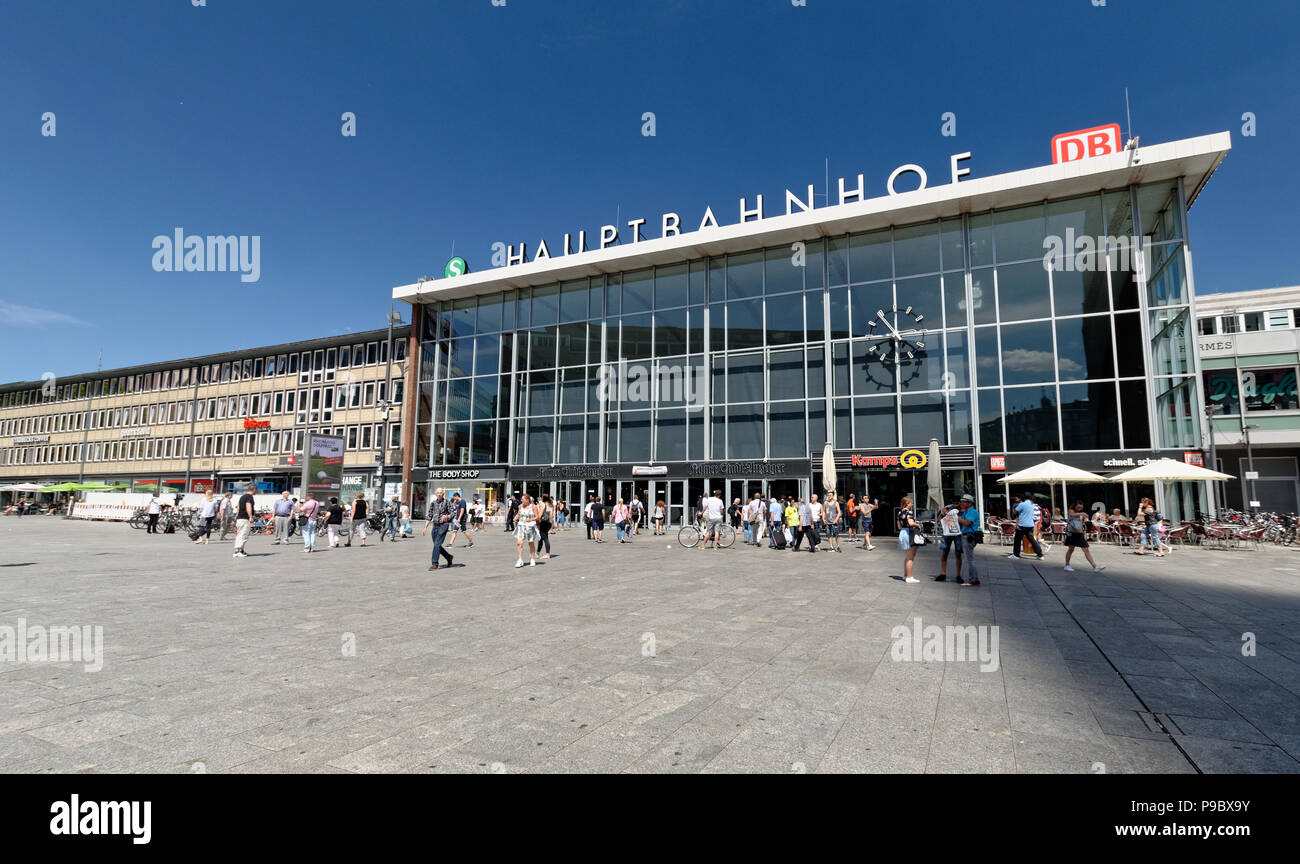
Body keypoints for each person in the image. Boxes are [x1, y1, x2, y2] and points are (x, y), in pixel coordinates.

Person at [1063, 501, 1105, 572]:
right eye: (1078, 507)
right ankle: (1067, 565)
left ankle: (1095, 566)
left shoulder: (1080, 513)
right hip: (1072, 533)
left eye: (1081, 508)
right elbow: (1072, 514)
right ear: (1075, 506)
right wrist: (1081, 514)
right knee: (1071, 550)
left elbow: (1081, 522)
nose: (1079, 509)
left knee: (1086, 549)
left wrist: (1083, 522)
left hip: (1079, 533)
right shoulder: (1071, 510)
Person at [421, 487, 455, 570]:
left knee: (436, 545)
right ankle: (449, 557)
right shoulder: (433, 503)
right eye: (438, 493)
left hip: (443, 525)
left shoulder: (447, 502)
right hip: (435, 526)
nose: (439, 494)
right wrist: (425, 527)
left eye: (441, 492)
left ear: (443, 494)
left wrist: (447, 516)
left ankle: (434, 564)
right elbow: (429, 515)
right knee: (437, 545)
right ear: (436, 494)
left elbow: (452, 513)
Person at [1007, 492, 1046, 561]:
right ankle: (1040, 555)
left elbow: (1015, 511)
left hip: (1022, 524)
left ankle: (1016, 554)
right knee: (1032, 539)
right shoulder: (1031, 505)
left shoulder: (1022, 504)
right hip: (1030, 525)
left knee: (1017, 540)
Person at [957, 494, 982, 587]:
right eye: (962, 501)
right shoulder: (966, 511)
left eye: (964, 501)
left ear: (969, 503)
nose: (962, 503)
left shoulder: (972, 512)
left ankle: (973, 580)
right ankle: (974, 579)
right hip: (966, 535)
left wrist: (957, 518)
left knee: (970, 559)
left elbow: (967, 522)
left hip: (969, 536)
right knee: (969, 558)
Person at [935, 498, 963, 581]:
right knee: (945, 553)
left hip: (958, 533)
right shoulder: (947, 508)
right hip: (947, 533)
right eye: (953, 503)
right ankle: (943, 574)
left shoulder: (962, 510)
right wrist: (943, 513)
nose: (955, 505)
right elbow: (939, 519)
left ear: (960, 503)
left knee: (958, 554)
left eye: (957, 503)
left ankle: (958, 575)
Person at [514, 493, 540, 567]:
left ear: (527, 500)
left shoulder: (533, 507)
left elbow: (537, 517)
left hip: (530, 527)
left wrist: (530, 519)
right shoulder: (520, 506)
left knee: (530, 543)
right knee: (519, 542)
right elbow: (519, 514)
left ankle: (532, 559)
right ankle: (520, 560)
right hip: (521, 526)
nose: (521, 500)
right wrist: (515, 518)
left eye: (523, 499)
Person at [898, 495, 920, 583]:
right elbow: (911, 523)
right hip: (909, 533)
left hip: (902, 533)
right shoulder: (909, 513)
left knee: (908, 556)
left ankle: (905, 575)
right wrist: (917, 524)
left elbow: (899, 526)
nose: (912, 504)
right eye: (911, 503)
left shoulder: (899, 513)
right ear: (907, 504)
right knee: (910, 557)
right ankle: (909, 577)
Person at [233, 483, 256, 558]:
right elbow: (248, 506)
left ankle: (240, 550)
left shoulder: (242, 497)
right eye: (256, 490)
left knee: (239, 534)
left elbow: (238, 507)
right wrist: (250, 516)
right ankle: (238, 551)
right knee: (243, 535)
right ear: (254, 489)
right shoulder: (249, 497)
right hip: (245, 518)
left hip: (240, 518)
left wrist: (236, 517)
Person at [537, 494, 554, 559]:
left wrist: (537, 521)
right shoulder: (551, 505)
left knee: (545, 538)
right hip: (549, 523)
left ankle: (547, 554)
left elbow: (540, 514)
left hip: (543, 522)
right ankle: (538, 552)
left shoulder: (543, 504)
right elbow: (552, 515)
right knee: (541, 537)